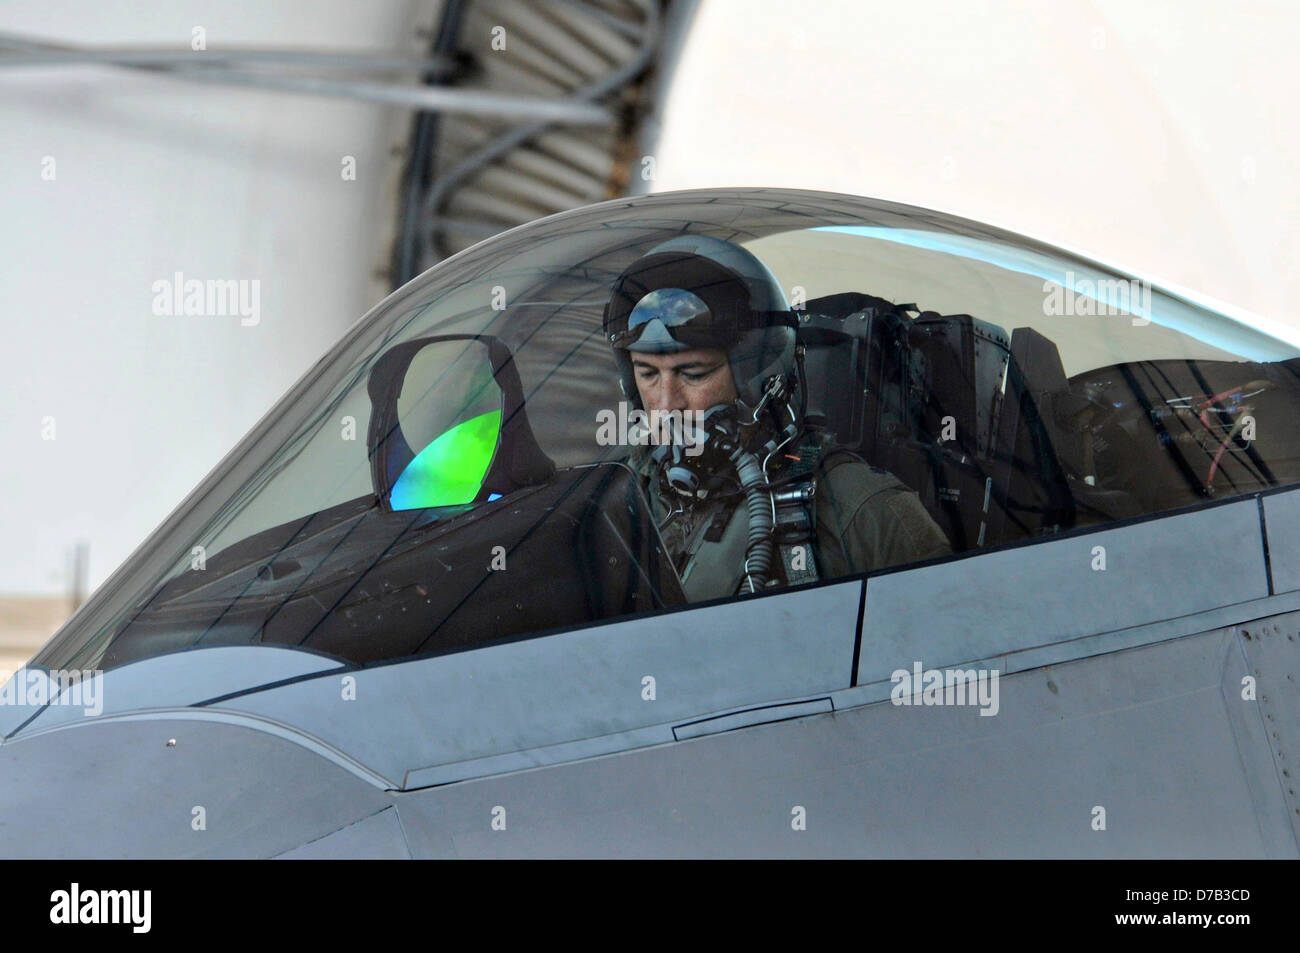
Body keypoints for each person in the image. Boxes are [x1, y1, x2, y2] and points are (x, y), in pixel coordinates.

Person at [603, 234, 952, 601]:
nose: (667, 403)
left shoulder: (865, 511)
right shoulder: (620, 492)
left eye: (694, 374)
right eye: (647, 373)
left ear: (760, 378)